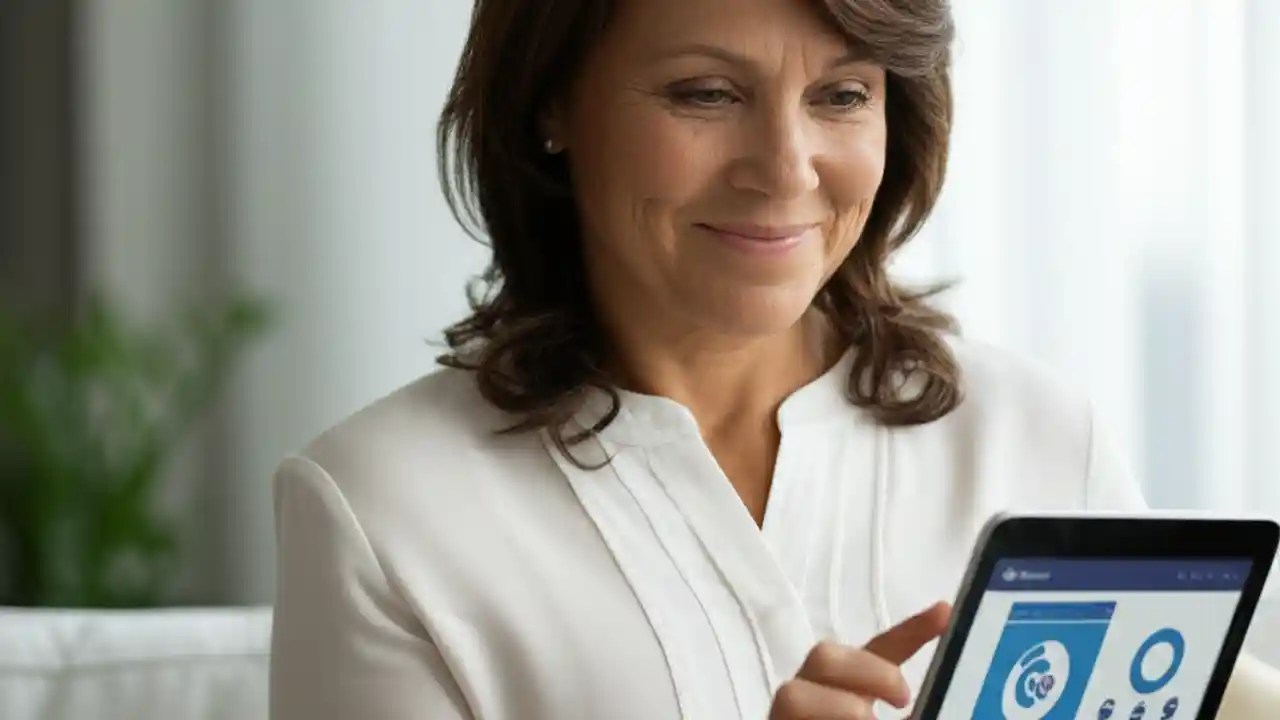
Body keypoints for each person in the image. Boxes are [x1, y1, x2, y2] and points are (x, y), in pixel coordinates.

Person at [269, 0, 1278, 718]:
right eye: (704, 94)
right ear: (550, 106)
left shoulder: (1043, 438)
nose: (784, 169)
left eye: (840, 97)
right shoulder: (381, 508)